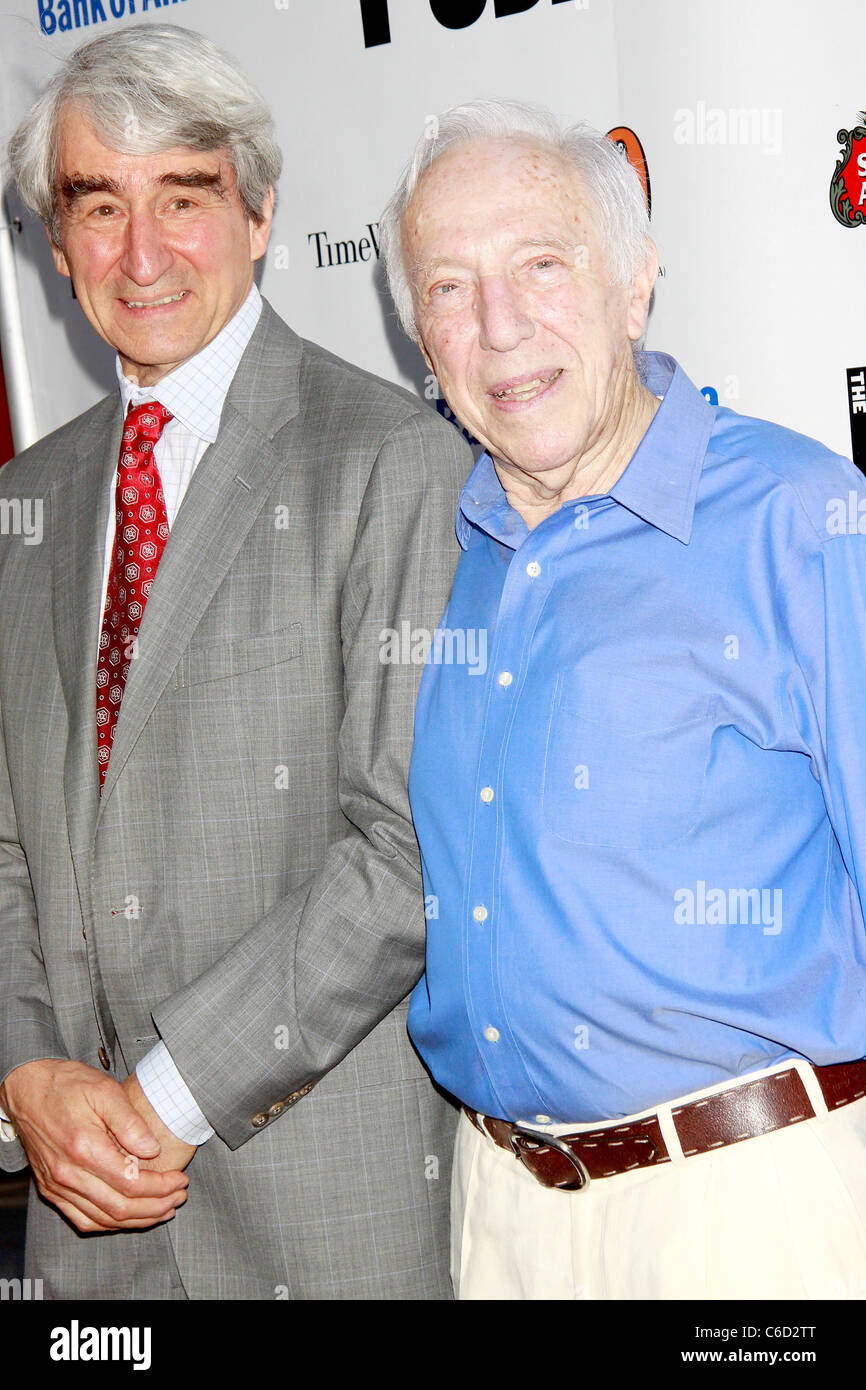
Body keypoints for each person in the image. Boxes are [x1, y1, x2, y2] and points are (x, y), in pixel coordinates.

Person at [0, 24, 470, 1300]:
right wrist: (29, 1074)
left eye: (184, 199)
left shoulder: (386, 462)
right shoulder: (24, 502)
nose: (140, 254)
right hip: (80, 1238)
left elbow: (404, 856)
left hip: (319, 1228)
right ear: (57, 242)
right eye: (100, 204)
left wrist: (156, 1100)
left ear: (261, 215)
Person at [379, 98, 866, 1300]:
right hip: (500, 1211)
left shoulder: (800, 521)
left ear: (634, 283)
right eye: (447, 288)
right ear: (417, 340)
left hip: (747, 1214)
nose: (497, 328)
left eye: (541, 266)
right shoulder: (458, 554)